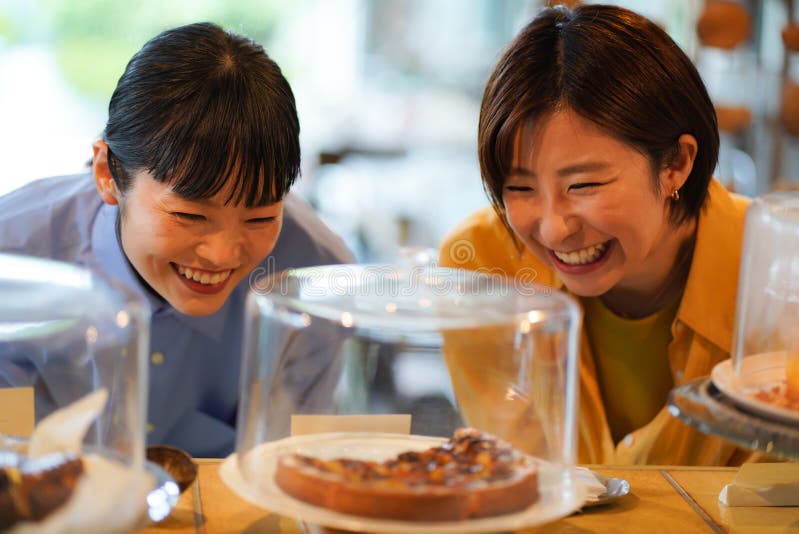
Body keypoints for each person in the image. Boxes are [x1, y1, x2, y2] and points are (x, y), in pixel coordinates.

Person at [0, 22, 353, 457]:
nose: (222, 254)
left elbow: (285, 471)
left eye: (260, 217)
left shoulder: (316, 281)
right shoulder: (13, 258)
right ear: (107, 174)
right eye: (189, 214)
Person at [440, 4, 755, 465]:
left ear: (675, 164)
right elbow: (527, 478)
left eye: (584, 185)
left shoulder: (778, 276)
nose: (552, 228)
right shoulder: (482, 267)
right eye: (520, 187)